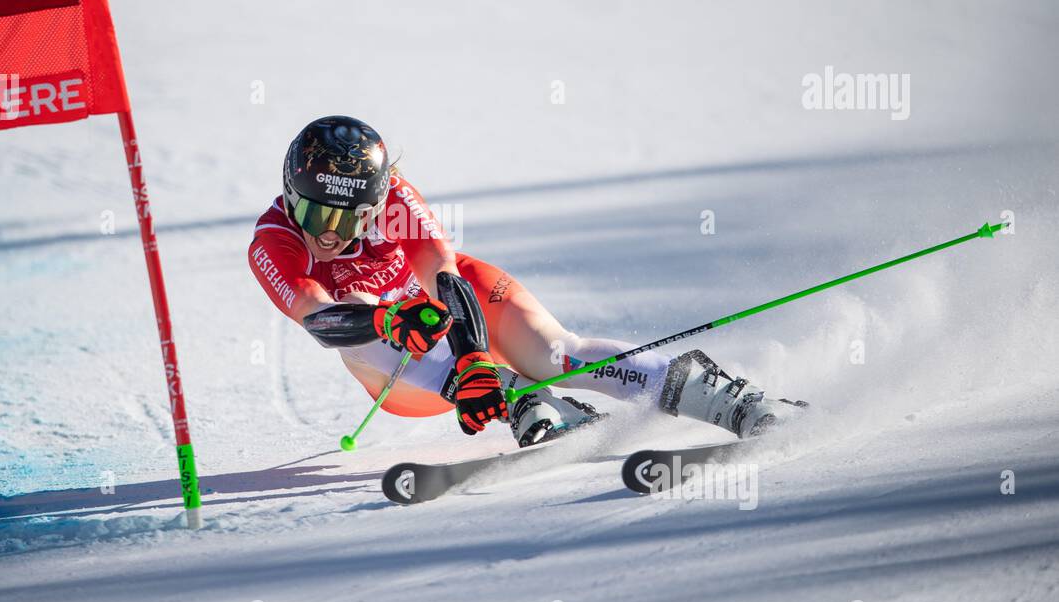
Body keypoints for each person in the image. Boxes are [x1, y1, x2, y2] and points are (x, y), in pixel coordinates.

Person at [248, 116, 806, 446]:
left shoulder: (394, 198)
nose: (331, 234)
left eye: (349, 219)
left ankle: (722, 398)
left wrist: (471, 359)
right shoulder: (274, 239)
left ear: (376, 202)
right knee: (364, 320)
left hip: (452, 313)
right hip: (399, 373)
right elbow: (320, 317)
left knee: (557, 352)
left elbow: (443, 278)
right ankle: (513, 395)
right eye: (318, 215)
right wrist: (388, 319)